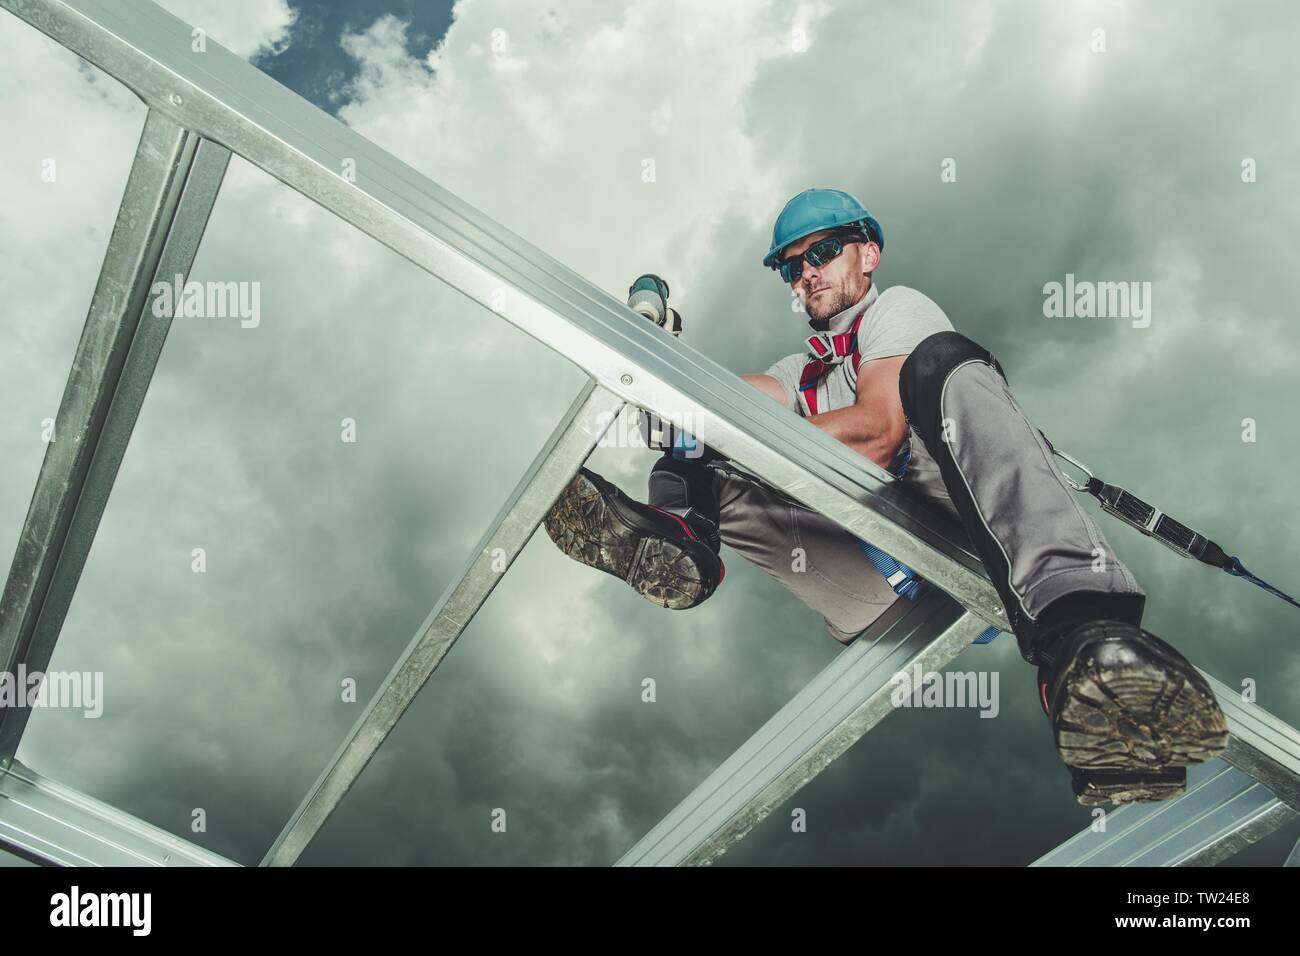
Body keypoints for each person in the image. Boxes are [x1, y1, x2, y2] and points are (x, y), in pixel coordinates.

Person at [543, 187, 1228, 805]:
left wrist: (724, 421)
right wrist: (661, 378)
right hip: (875, 584)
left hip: (970, 539)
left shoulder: (898, 314)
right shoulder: (800, 371)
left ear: (868, 254)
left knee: (945, 364)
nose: (808, 271)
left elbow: (876, 433)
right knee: (696, 440)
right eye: (793, 265)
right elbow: (725, 404)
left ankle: (1085, 643)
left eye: (825, 252)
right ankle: (681, 540)